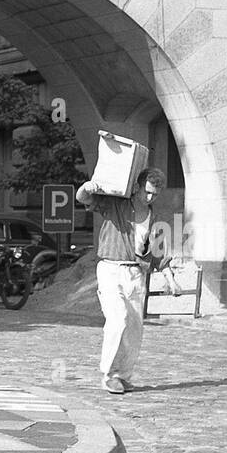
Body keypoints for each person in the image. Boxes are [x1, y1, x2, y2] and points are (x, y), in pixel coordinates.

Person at [76, 166, 166, 394]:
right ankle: (108, 375)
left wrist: (168, 276)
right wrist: (87, 187)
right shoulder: (116, 205)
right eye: (146, 192)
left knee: (135, 329)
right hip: (110, 269)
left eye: (155, 194)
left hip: (136, 274)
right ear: (137, 187)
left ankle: (123, 376)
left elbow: (158, 251)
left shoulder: (154, 217)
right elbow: (84, 198)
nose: (149, 197)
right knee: (118, 320)